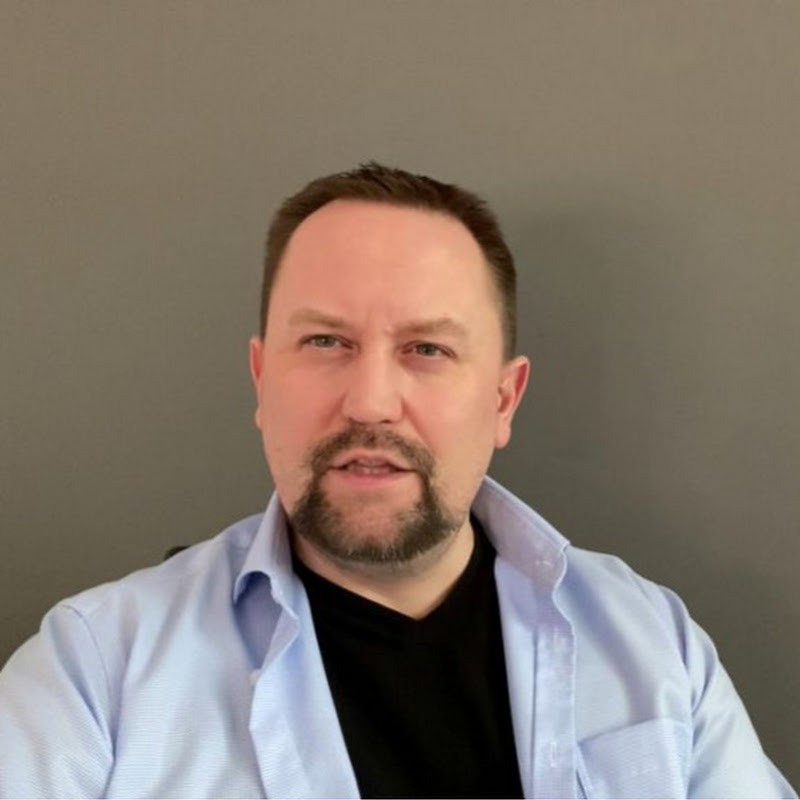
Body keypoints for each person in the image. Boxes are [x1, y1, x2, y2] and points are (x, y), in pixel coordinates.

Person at [0, 163, 794, 799]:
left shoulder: (654, 644)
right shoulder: (93, 674)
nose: (371, 401)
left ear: (503, 400)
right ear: (261, 380)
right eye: (325, 341)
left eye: (427, 349)